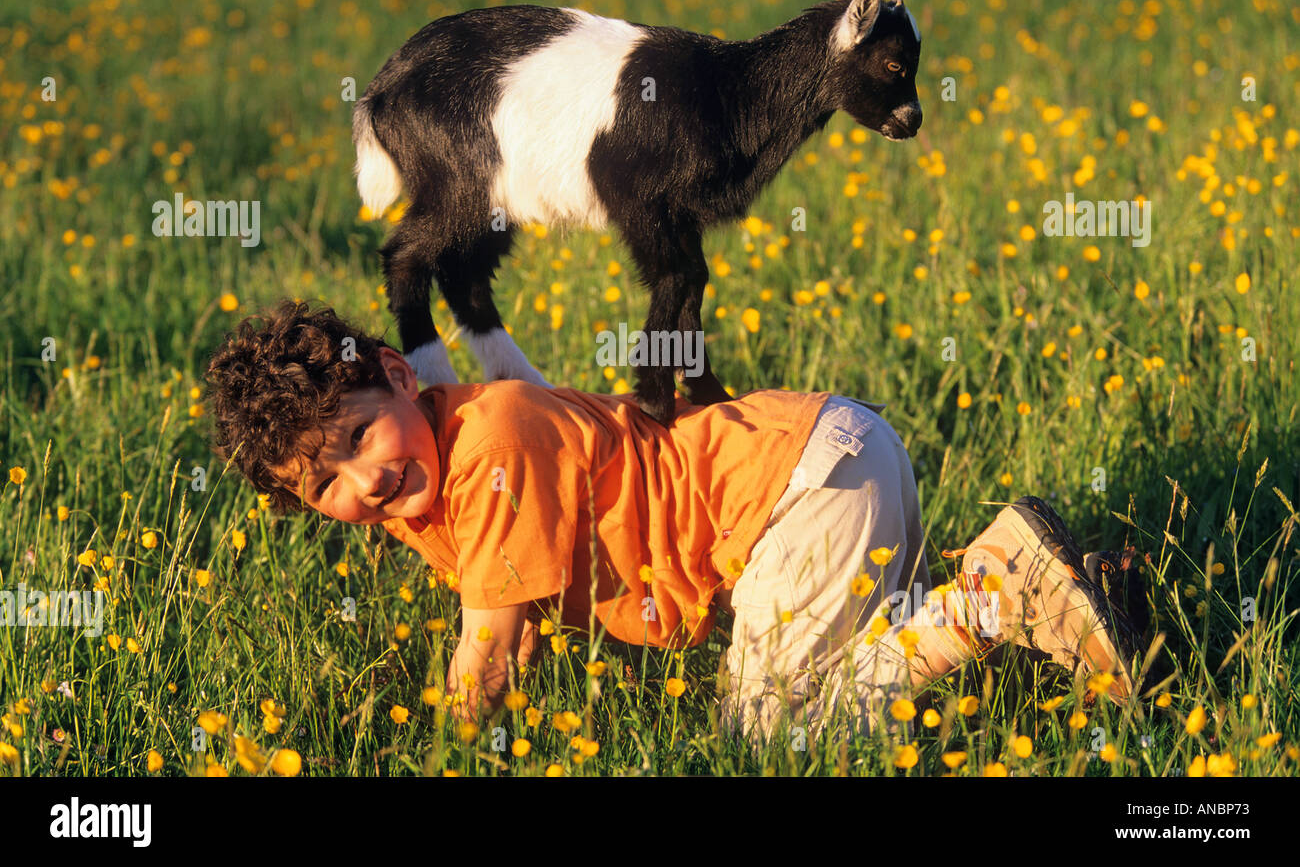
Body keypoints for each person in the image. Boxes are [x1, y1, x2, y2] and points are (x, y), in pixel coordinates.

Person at [204, 299, 1145, 745]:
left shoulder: (489, 441)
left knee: (774, 744)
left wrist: (448, 755)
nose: (362, 482)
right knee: (855, 683)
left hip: (792, 491)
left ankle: (996, 596)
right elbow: (524, 607)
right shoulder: (433, 476)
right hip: (828, 460)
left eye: (360, 435)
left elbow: (484, 662)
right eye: (322, 485)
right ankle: (1082, 587)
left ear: (401, 376)